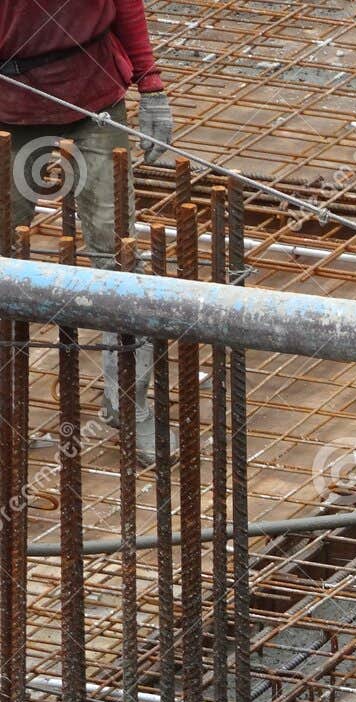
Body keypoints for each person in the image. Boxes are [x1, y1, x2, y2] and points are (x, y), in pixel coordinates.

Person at [1, 0, 173, 461]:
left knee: (117, 256)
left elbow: (126, 7)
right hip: (9, 108)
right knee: (2, 257)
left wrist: (150, 86)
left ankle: (130, 405)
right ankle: (3, 414)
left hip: (94, 95)